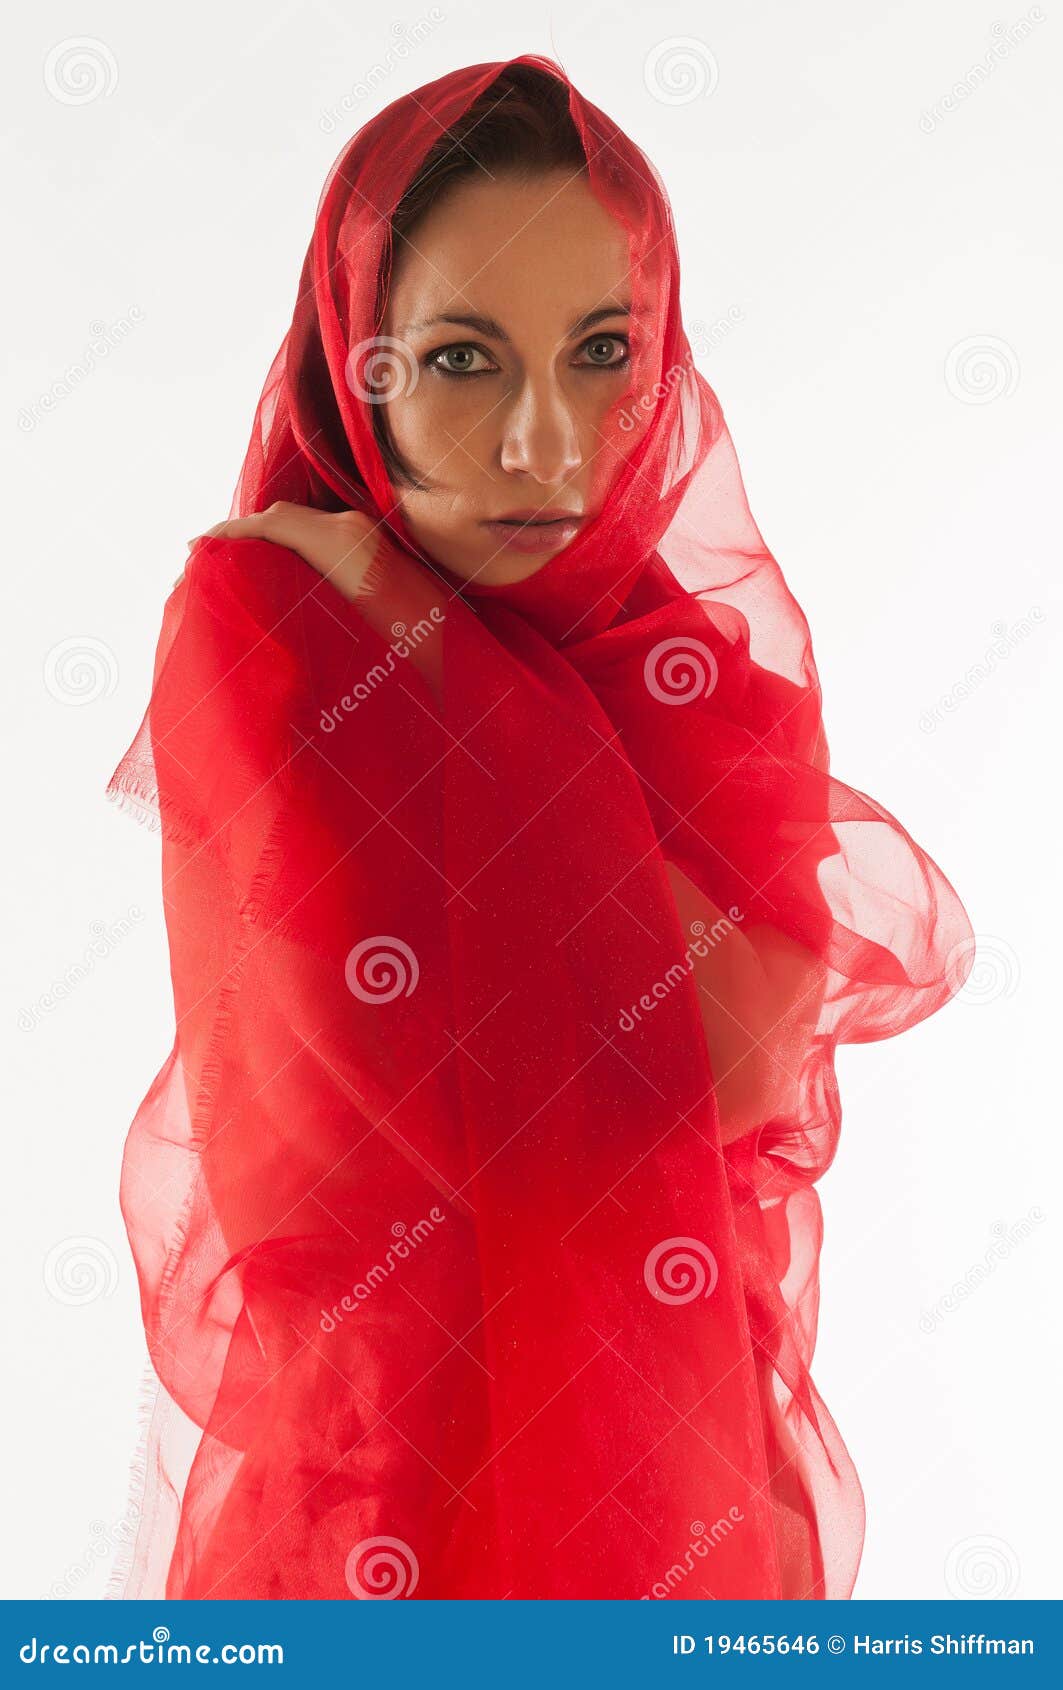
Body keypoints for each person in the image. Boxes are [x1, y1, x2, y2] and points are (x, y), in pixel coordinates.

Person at [106, 55, 974, 1602]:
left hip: (698, 1499)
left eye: (599, 353)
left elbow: (738, 1063)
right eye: (460, 360)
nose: (545, 440)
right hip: (406, 1525)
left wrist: (435, 658)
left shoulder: (690, 663)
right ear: (352, 365)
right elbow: (391, 1150)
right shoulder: (273, 632)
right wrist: (410, 651)